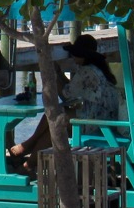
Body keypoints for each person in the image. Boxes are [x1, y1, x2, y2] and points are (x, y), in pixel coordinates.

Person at [8, 33, 121, 173]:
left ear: (82, 54)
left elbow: (66, 96)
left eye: (74, 54)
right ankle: (28, 160)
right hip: (105, 121)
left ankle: (28, 153)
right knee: (56, 121)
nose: (72, 57)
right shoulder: (98, 69)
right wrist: (59, 74)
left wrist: (53, 75)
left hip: (98, 125)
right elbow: (73, 91)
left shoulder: (87, 71)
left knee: (55, 119)